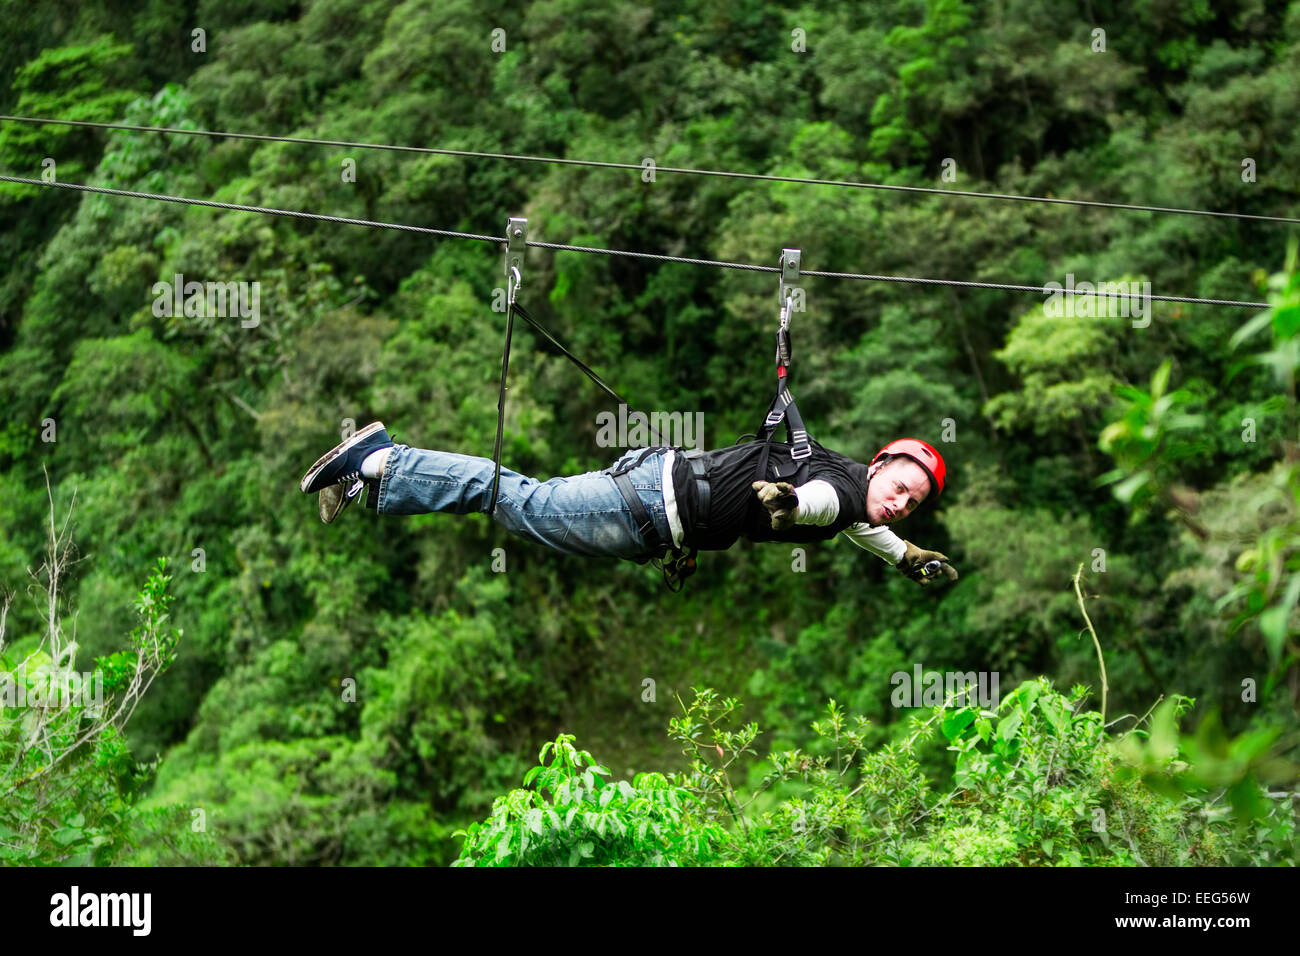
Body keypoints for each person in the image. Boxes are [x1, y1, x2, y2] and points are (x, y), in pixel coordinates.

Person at [299, 422, 958, 586]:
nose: (902, 503)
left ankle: (373, 478)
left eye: (914, 503)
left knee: (518, 501)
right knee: (512, 498)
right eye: (901, 486)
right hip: (651, 506)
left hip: (657, 487)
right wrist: (790, 500)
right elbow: (823, 507)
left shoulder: (854, 483)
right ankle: (380, 460)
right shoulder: (839, 492)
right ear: (880, 465)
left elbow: (861, 524)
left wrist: (907, 557)